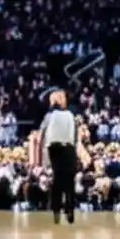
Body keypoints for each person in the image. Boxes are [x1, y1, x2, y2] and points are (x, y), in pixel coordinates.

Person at [41, 89, 79, 223]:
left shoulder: (51, 116)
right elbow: (74, 136)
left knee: (59, 182)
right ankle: (66, 210)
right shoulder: (69, 115)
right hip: (65, 150)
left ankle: (59, 211)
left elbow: (43, 135)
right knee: (67, 183)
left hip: (58, 150)